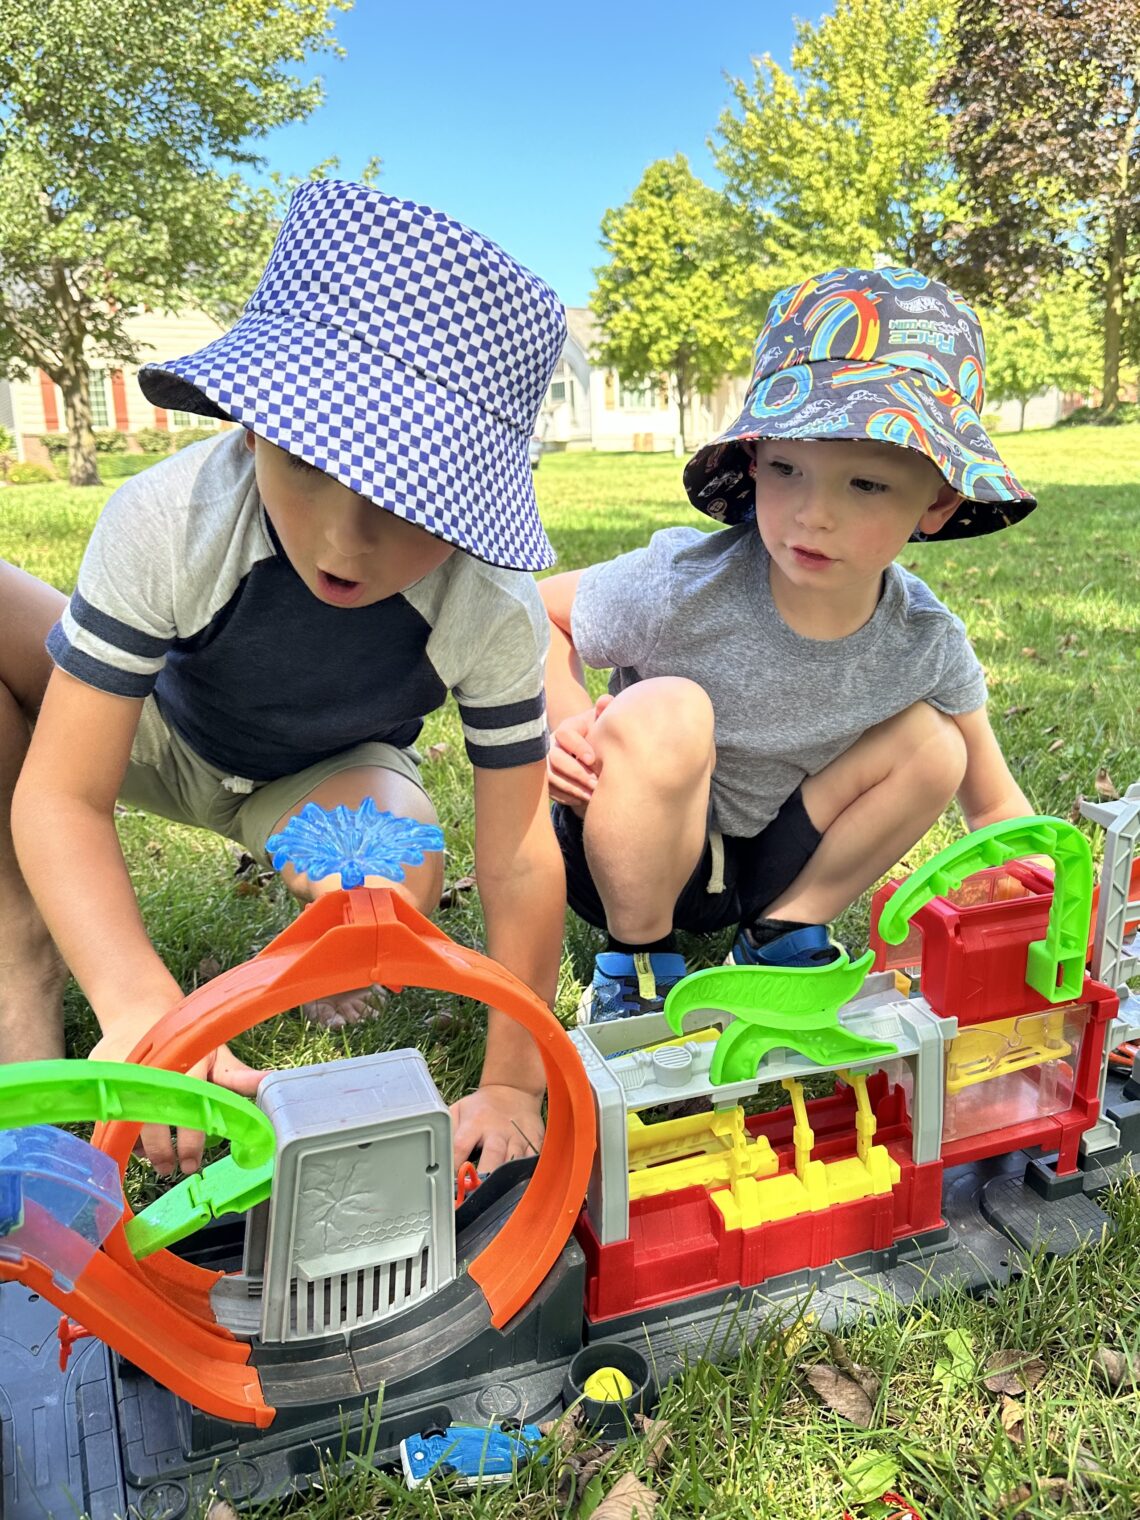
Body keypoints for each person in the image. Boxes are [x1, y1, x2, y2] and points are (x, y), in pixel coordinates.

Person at [1, 180, 567, 1171]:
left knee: (381, 882)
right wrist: (143, 1005)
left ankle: (322, 936)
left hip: (321, 778)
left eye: (409, 495)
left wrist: (515, 1078)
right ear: (256, 418)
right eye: (310, 462)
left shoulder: (492, 606)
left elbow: (518, 854)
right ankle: (21, 953)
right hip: (153, 726)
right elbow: (61, 792)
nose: (345, 539)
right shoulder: (169, 518)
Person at [541, 265, 1039, 1022]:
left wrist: (1044, 893)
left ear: (936, 501)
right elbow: (536, 613)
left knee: (938, 745)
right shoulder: (684, 583)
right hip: (634, 847)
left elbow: (993, 800)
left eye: (864, 485)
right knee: (667, 708)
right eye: (787, 469)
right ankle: (638, 963)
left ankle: (782, 933)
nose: (813, 515)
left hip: (770, 859)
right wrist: (564, 713)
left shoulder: (923, 636)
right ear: (752, 461)